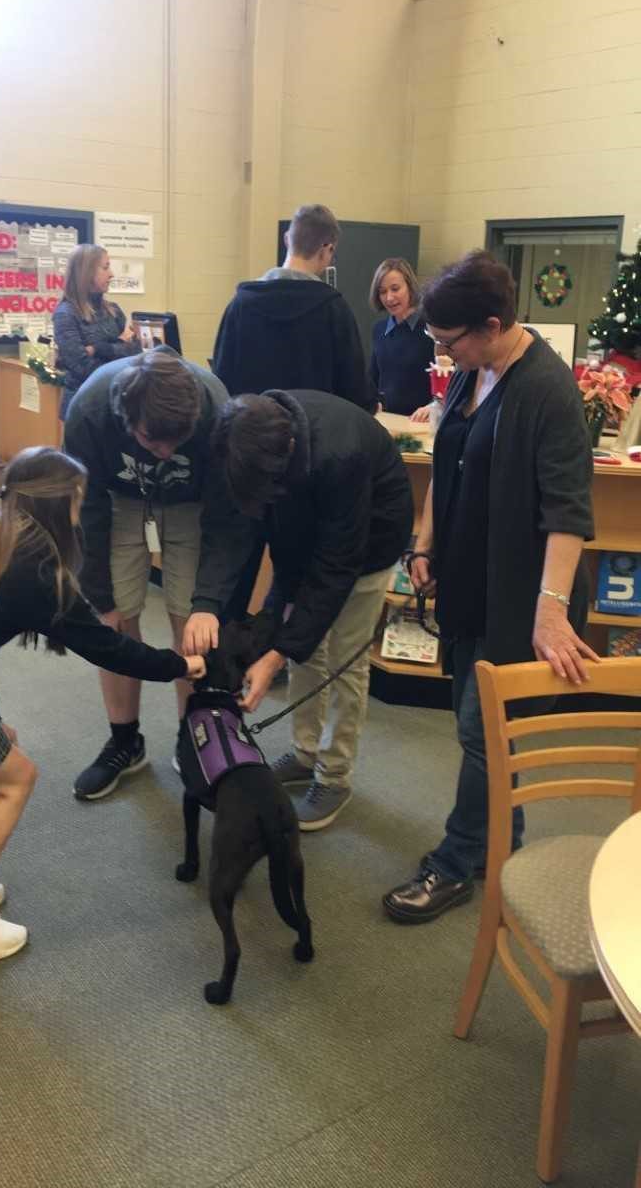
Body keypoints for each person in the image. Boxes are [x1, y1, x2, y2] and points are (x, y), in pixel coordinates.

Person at [0, 447, 205, 967]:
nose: (82, 511)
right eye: (78, 500)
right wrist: (179, 666)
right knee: (16, 777)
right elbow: (106, 647)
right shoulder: (35, 568)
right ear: (58, 504)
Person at [382, 250, 598, 925]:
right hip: (469, 580)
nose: (443, 354)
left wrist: (551, 613)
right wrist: (424, 541)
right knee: (478, 727)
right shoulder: (467, 377)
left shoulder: (545, 389)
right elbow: (444, 468)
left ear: (493, 323)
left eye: (450, 341)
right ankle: (505, 844)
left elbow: (567, 511)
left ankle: (458, 860)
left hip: (521, 591)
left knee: (483, 730)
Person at [213, 389, 414, 831]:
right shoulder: (249, 439)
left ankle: (334, 775)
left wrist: (275, 655)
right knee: (305, 647)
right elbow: (282, 551)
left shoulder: (340, 454)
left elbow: (336, 567)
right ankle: (306, 752)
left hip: (369, 543)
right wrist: (270, 634)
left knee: (345, 661)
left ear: (281, 465)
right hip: (313, 531)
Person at [63, 348, 254, 800]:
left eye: (177, 441)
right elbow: (83, 508)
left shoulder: (217, 411)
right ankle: (125, 742)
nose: (166, 452)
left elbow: (230, 517)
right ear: (126, 417)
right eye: (153, 441)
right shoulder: (89, 410)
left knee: (191, 624)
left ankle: (193, 743)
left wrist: (208, 605)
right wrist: (100, 599)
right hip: (119, 501)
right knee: (117, 623)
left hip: (193, 506)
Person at [212, 204, 372, 410]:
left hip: (252, 436)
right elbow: (354, 392)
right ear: (328, 249)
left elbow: (221, 383)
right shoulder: (334, 310)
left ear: (287, 239)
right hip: (314, 436)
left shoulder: (240, 306)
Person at [53, 244, 139, 420]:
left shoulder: (113, 310)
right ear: (87, 272)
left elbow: (134, 354)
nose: (112, 274)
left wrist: (99, 349)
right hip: (82, 406)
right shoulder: (65, 314)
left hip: (114, 404)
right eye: (105, 267)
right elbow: (83, 368)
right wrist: (120, 345)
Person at [368, 257, 434, 421]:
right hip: (386, 420)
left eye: (395, 289)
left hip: (420, 422)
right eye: (382, 291)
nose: (389, 298)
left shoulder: (432, 329)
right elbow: (372, 379)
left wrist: (433, 407)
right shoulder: (379, 329)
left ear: (410, 287)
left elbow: (450, 380)